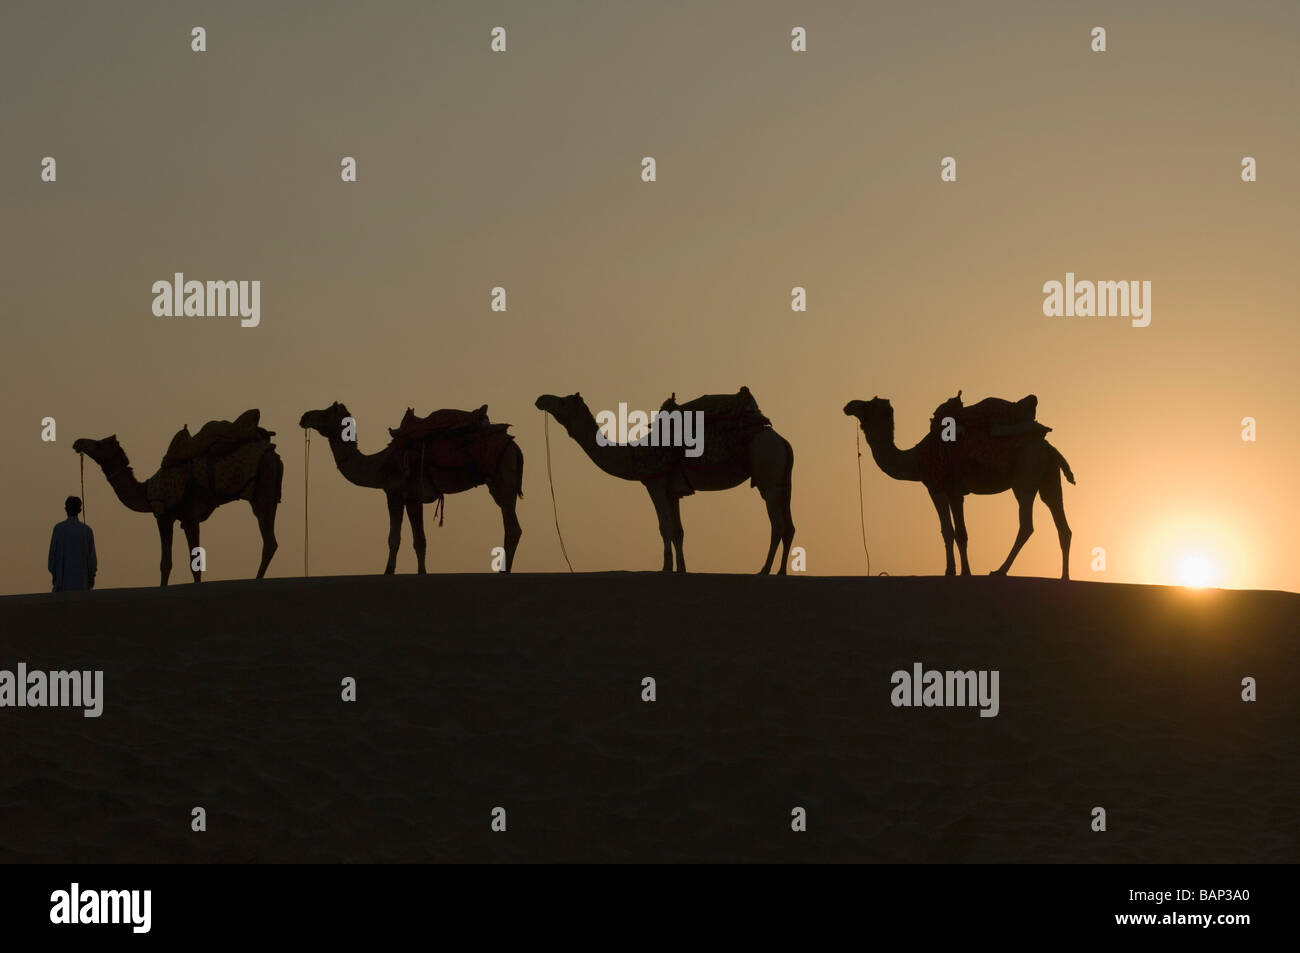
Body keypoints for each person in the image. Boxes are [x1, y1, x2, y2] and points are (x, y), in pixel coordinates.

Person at [49, 496, 97, 592]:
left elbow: (52, 558)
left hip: (62, 585)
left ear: (66, 509)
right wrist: (91, 576)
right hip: (82, 585)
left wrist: (55, 575)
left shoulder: (58, 529)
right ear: (79, 510)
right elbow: (92, 559)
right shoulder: (86, 531)